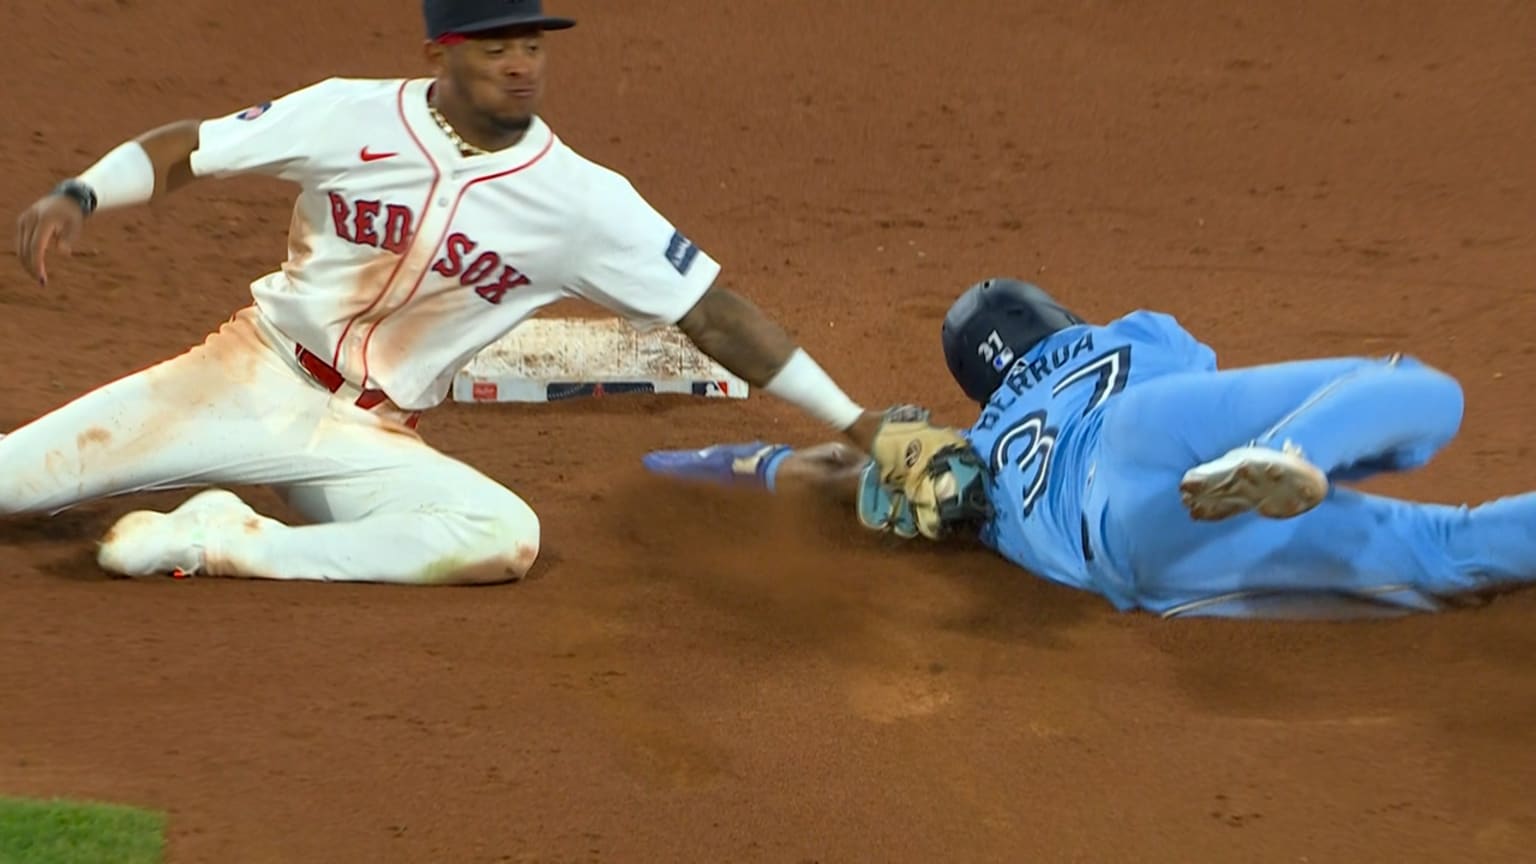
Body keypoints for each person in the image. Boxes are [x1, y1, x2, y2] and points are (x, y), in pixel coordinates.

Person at [6, 0, 907, 585]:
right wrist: (81, 191)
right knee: (10, 486)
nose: (521, 64)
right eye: (495, 46)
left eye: (530, 45)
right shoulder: (346, 114)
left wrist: (862, 425)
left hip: (366, 435)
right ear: (442, 50)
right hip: (246, 374)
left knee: (500, 535)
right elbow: (188, 148)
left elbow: (712, 314)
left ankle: (225, 540)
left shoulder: (582, 200)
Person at [643, 277, 1536, 619]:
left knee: (1440, 561)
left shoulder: (978, 444)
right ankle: (1295, 450)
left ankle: (1284, 471)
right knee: (1423, 395)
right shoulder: (1129, 332)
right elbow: (1200, 383)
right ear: (1052, 316)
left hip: (1128, 556)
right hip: (1152, 435)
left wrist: (724, 464)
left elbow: (835, 469)